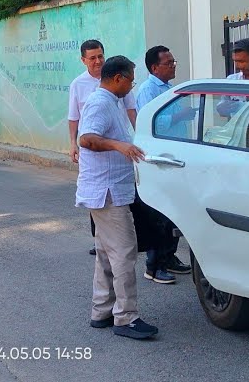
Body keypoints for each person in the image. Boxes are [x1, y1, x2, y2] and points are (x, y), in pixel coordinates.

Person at [77, 56, 158, 340]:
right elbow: (85, 139)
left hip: (111, 190)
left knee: (106, 253)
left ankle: (102, 310)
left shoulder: (113, 102)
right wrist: (118, 145)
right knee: (123, 253)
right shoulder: (100, 102)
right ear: (118, 79)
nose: (132, 85)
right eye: (131, 80)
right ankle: (125, 317)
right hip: (107, 192)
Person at [133, 46, 191, 284]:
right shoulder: (148, 91)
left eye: (173, 60)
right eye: (168, 62)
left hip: (175, 157)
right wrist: (180, 115)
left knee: (175, 213)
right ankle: (154, 265)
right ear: (155, 68)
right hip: (159, 160)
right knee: (158, 213)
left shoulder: (171, 89)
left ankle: (169, 256)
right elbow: (151, 123)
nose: (173, 65)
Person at [69, 40, 137, 165]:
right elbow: (74, 117)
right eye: (92, 58)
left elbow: (131, 110)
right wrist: (73, 143)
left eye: (100, 56)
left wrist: (139, 136)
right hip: (94, 144)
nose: (98, 61)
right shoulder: (77, 84)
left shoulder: (119, 79)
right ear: (83, 60)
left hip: (119, 141)